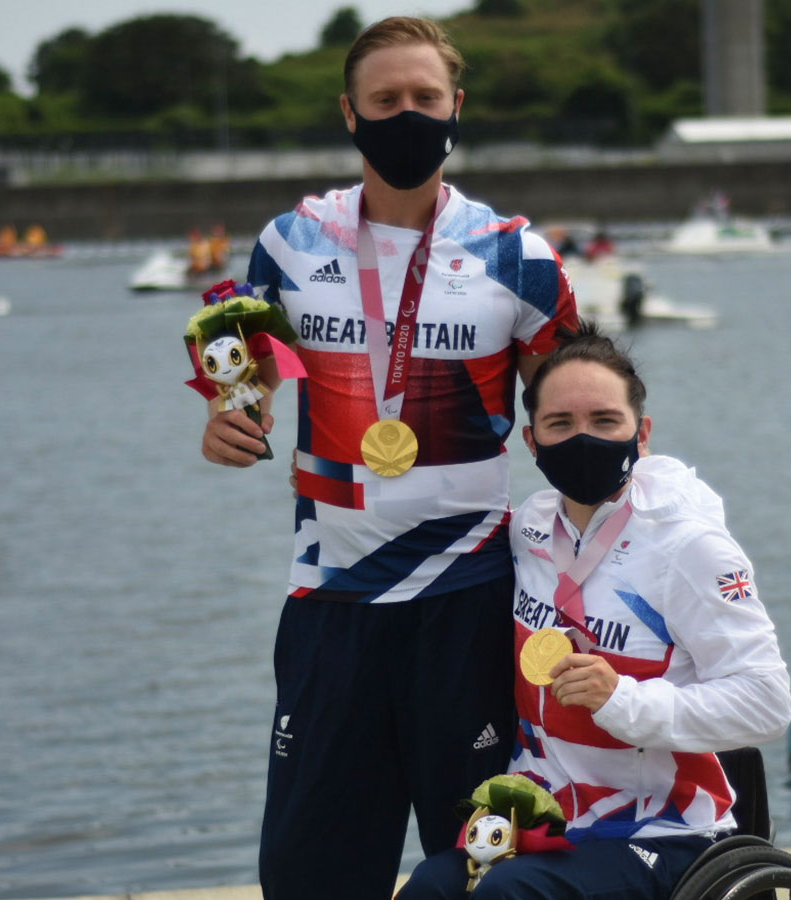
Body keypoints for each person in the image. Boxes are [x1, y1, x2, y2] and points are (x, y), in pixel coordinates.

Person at [197, 16, 578, 900]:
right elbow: (245, 387)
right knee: (309, 876)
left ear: (456, 108)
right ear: (350, 113)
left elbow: (573, 409)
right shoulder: (291, 241)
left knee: (485, 871)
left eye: (424, 97)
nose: (406, 113)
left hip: (468, 602)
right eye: (385, 99)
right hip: (332, 601)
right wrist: (225, 422)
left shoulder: (518, 254)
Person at [397, 324, 791, 900]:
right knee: (431, 885)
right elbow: (432, 524)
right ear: (532, 442)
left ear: (642, 434)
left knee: (508, 894)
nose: (583, 439)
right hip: (548, 819)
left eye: (605, 421)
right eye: (561, 424)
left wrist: (621, 700)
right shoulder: (530, 527)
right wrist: (316, 481)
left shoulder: (691, 549)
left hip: (663, 829)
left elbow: (767, 703)